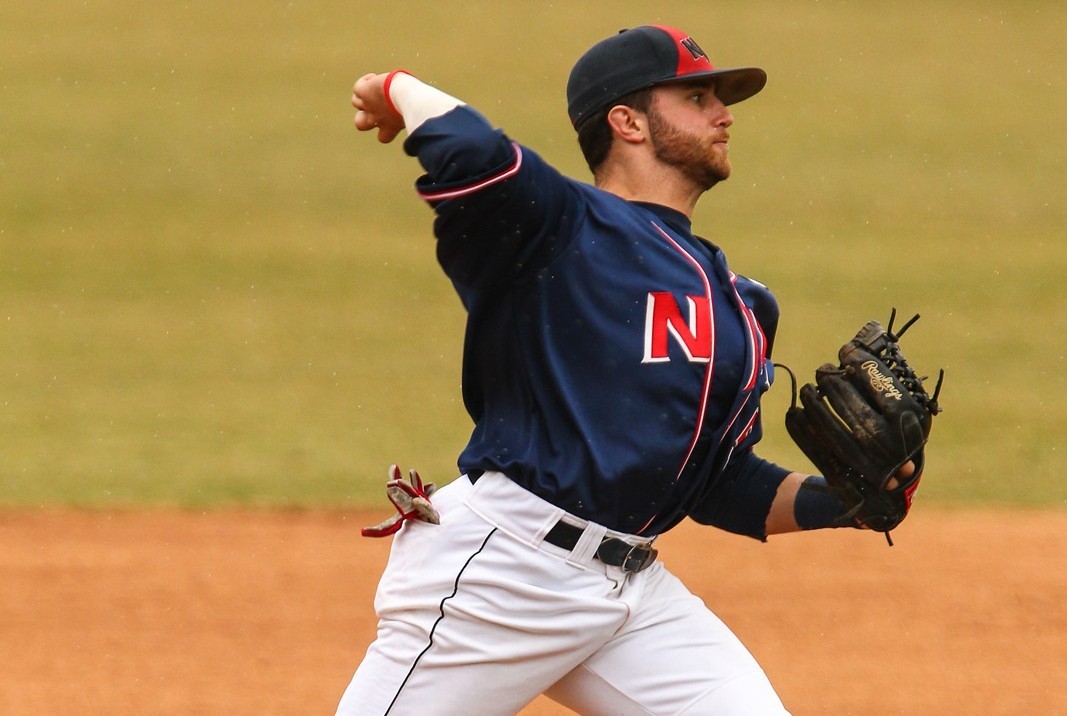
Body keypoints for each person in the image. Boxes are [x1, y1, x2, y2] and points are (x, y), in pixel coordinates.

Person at [340, 24, 910, 716]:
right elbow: (472, 150)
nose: (722, 115)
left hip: (632, 597)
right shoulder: (559, 227)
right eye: (697, 97)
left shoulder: (742, 303)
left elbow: (718, 484)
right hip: (502, 574)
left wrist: (847, 502)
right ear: (626, 122)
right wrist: (395, 89)